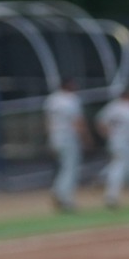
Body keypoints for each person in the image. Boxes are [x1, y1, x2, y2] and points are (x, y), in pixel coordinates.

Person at [96, 83, 129, 209]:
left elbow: (100, 123)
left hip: (115, 141)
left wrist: (109, 136)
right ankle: (111, 195)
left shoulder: (113, 107)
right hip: (127, 142)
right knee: (119, 167)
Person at [45, 77, 89, 213]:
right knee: (71, 169)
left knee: (64, 167)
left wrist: (50, 140)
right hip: (68, 136)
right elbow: (77, 121)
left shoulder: (52, 99)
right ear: (69, 85)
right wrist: (86, 138)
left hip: (55, 137)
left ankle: (58, 191)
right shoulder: (71, 99)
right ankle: (64, 198)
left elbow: (47, 121)